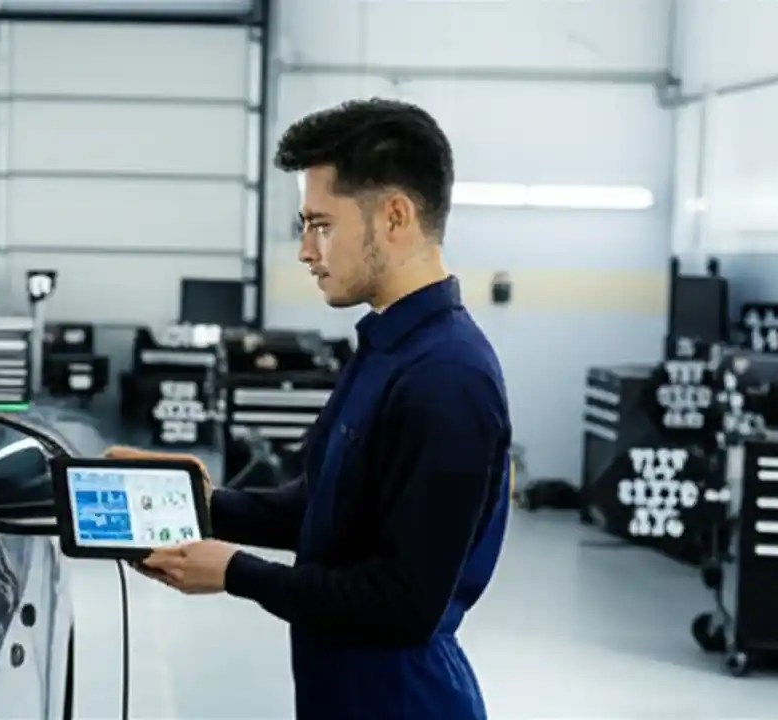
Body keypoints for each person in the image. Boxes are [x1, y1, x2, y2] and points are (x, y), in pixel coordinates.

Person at [107, 98, 512, 720]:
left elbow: (404, 605)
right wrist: (189, 500)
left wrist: (238, 573)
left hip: (404, 699)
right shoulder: (385, 349)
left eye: (320, 223)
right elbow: (321, 507)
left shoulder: (448, 378)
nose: (305, 250)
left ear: (395, 217)